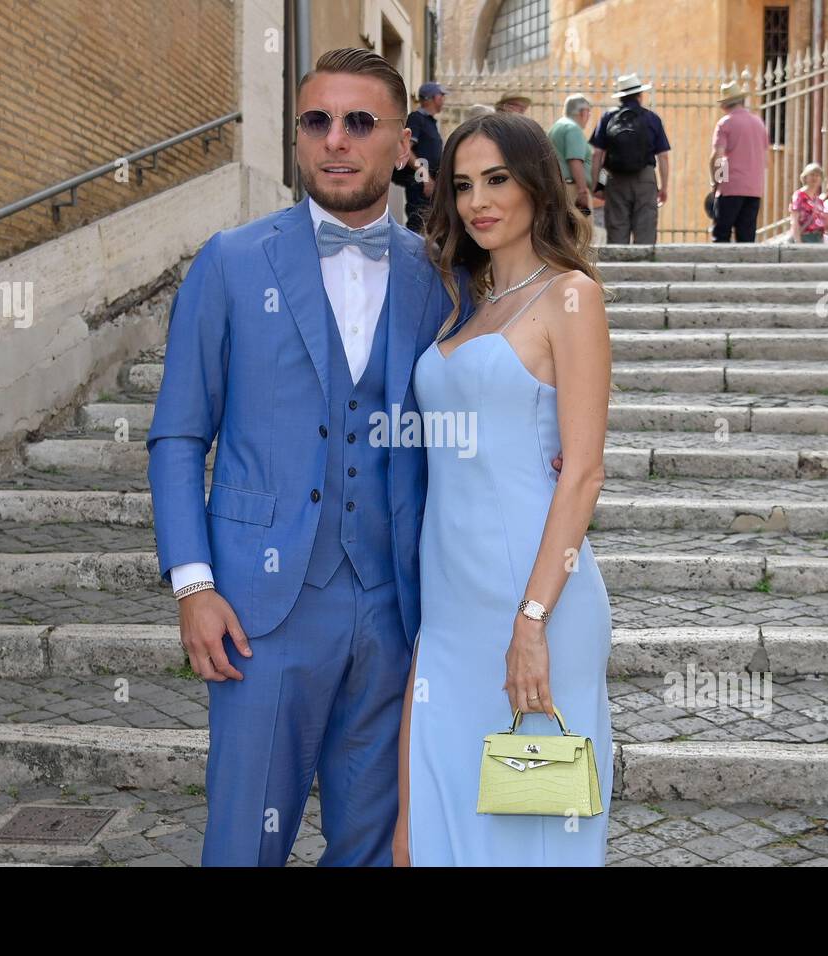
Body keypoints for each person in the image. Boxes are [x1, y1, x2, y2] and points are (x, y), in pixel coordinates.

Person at [146, 48, 559, 867]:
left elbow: (482, 405)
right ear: (298, 138)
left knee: (374, 847)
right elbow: (177, 435)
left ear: (403, 143)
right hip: (259, 611)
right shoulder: (230, 263)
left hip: (398, 609)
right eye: (317, 121)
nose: (336, 140)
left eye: (360, 122)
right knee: (240, 843)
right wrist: (193, 586)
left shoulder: (443, 278)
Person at [397, 109, 613, 866]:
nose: (478, 201)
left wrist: (531, 621)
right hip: (450, 606)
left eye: (496, 179)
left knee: (531, 830)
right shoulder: (467, 304)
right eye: (461, 185)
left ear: (535, 185)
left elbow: (583, 469)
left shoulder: (572, 297)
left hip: (537, 600)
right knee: (434, 832)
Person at [589, 72, 671, 244]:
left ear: (621, 97)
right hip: (645, 178)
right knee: (645, 229)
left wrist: (597, 185)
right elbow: (663, 156)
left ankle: (618, 268)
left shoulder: (608, 117)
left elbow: (597, 154)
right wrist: (663, 187)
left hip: (615, 178)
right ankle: (645, 267)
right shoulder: (652, 118)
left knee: (617, 228)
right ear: (640, 96)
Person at [708, 79, 770, 243]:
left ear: (724, 105)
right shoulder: (759, 123)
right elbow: (766, 159)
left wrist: (717, 181)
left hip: (731, 186)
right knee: (747, 237)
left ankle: (720, 268)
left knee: (721, 234)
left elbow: (718, 156)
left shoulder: (725, 123)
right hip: (754, 187)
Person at [403, 81, 446, 233]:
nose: (443, 99)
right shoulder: (416, 118)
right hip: (420, 182)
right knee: (418, 223)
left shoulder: (430, 122)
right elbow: (404, 149)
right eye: (441, 96)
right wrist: (425, 176)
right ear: (430, 98)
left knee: (429, 226)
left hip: (429, 182)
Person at [548, 93, 594, 216]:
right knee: (580, 232)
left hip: (559, 187)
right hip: (572, 189)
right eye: (588, 112)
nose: (589, 116)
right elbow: (575, 161)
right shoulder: (573, 128)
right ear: (583, 112)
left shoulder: (557, 126)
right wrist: (582, 192)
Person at [790, 162, 828, 243]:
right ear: (805, 177)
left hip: (818, 238)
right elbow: (795, 220)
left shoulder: (819, 200)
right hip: (805, 237)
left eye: (817, 175)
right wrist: (798, 241)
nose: (815, 177)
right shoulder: (799, 195)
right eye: (812, 174)